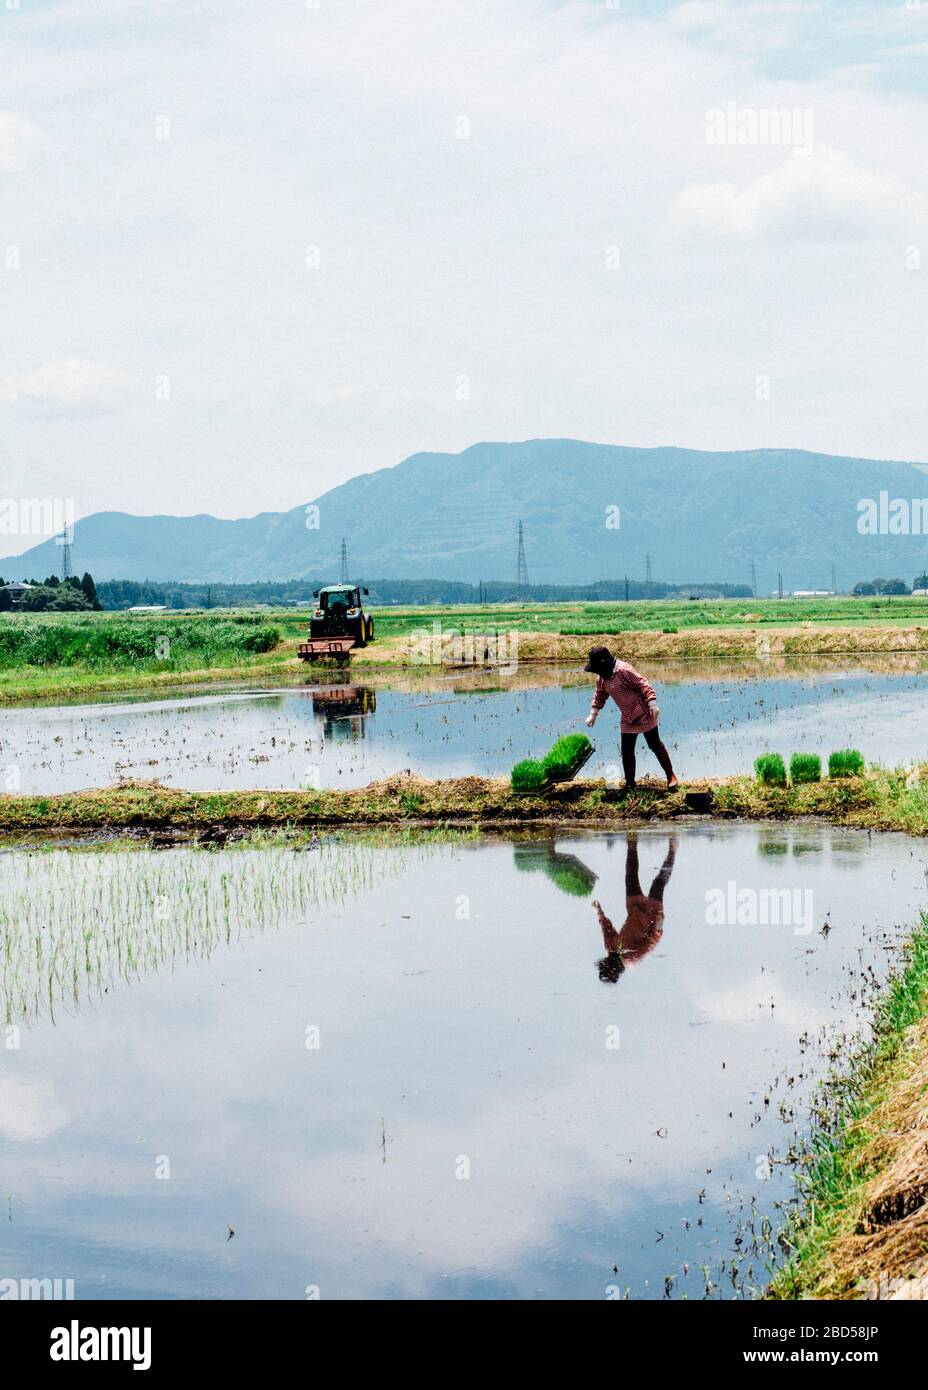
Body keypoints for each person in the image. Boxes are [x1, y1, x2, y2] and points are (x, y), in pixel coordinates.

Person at [583, 645, 678, 791]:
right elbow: (600, 695)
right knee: (627, 750)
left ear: (605, 664)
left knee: (654, 744)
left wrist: (652, 703)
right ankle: (630, 783)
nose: (598, 672)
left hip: (644, 713)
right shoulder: (602, 678)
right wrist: (593, 713)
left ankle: (671, 776)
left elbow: (643, 684)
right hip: (627, 716)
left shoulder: (623, 670)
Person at [593, 832, 677, 982]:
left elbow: (607, 929)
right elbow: (651, 942)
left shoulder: (612, 949)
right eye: (606, 961)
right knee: (659, 882)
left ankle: (632, 841)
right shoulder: (632, 958)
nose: (606, 957)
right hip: (651, 915)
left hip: (634, 908)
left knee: (630, 875)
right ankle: (673, 849)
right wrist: (659, 924)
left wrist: (599, 912)